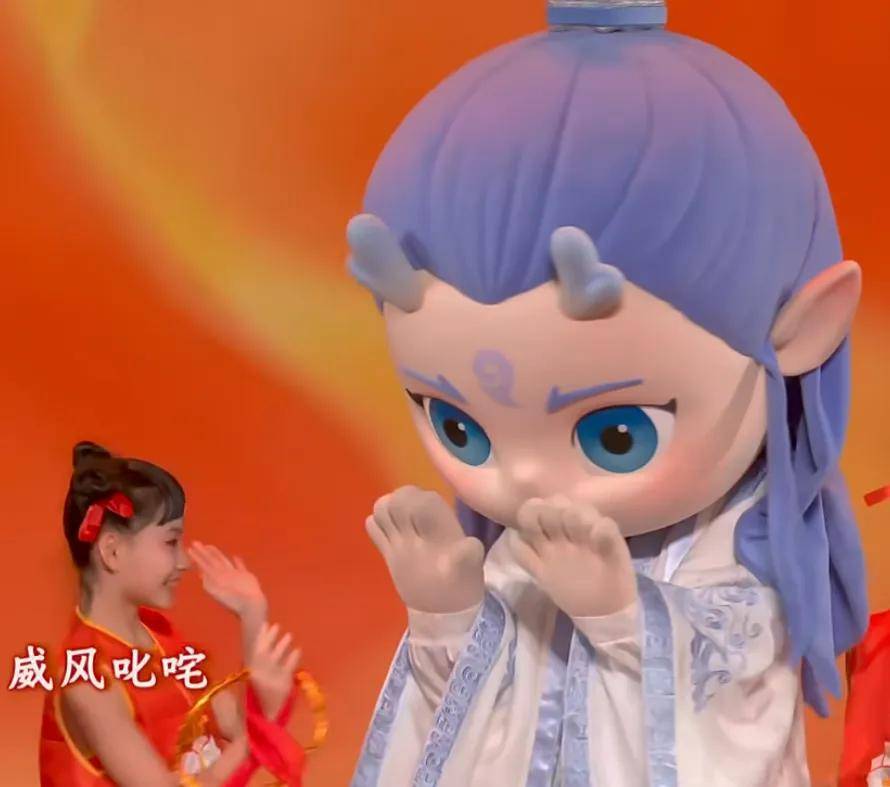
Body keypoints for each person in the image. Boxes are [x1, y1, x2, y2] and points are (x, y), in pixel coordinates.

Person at [346, 1, 868, 784]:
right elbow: (485, 735)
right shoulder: (518, 546)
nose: (524, 479)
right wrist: (447, 612)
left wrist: (622, 619)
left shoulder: (739, 554)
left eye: (616, 434)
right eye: (458, 427)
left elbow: (737, 709)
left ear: (802, 330)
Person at [38, 441, 304, 786]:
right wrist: (260, 734)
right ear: (112, 551)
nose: (184, 561)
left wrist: (252, 614)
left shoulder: (158, 635)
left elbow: (238, 723)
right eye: (170, 542)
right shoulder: (86, 679)